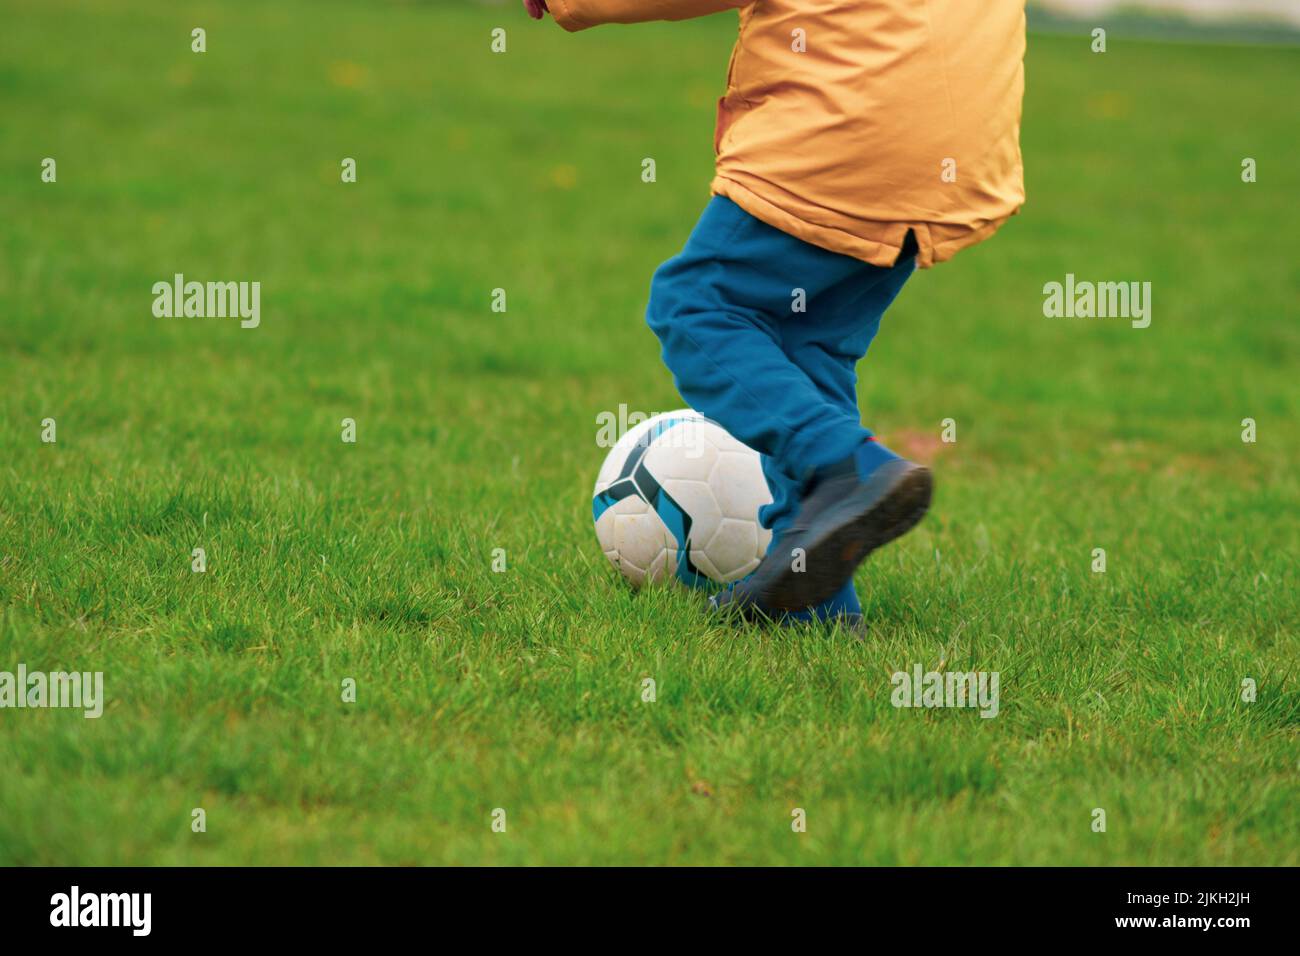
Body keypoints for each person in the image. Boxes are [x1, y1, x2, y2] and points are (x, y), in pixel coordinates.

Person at [527, 0, 1027, 624]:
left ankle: (847, 466)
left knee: (697, 305)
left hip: (854, 121)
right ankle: (815, 606)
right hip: (958, 141)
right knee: (808, 343)